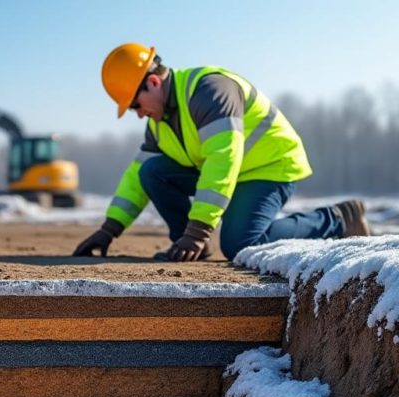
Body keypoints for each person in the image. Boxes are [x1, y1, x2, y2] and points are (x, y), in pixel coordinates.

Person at [74, 43, 370, 261]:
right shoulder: (159, 123)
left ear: (153, 82)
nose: (138, 115)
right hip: (232, 172)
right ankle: (189, 248)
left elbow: (223, 159)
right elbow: (137, 177)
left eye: (135, 106)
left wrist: (199, 229)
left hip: (270, 167)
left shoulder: (209, 91)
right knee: (151, 171)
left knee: (241, 245)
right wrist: (110, 229)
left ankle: (339, 219)